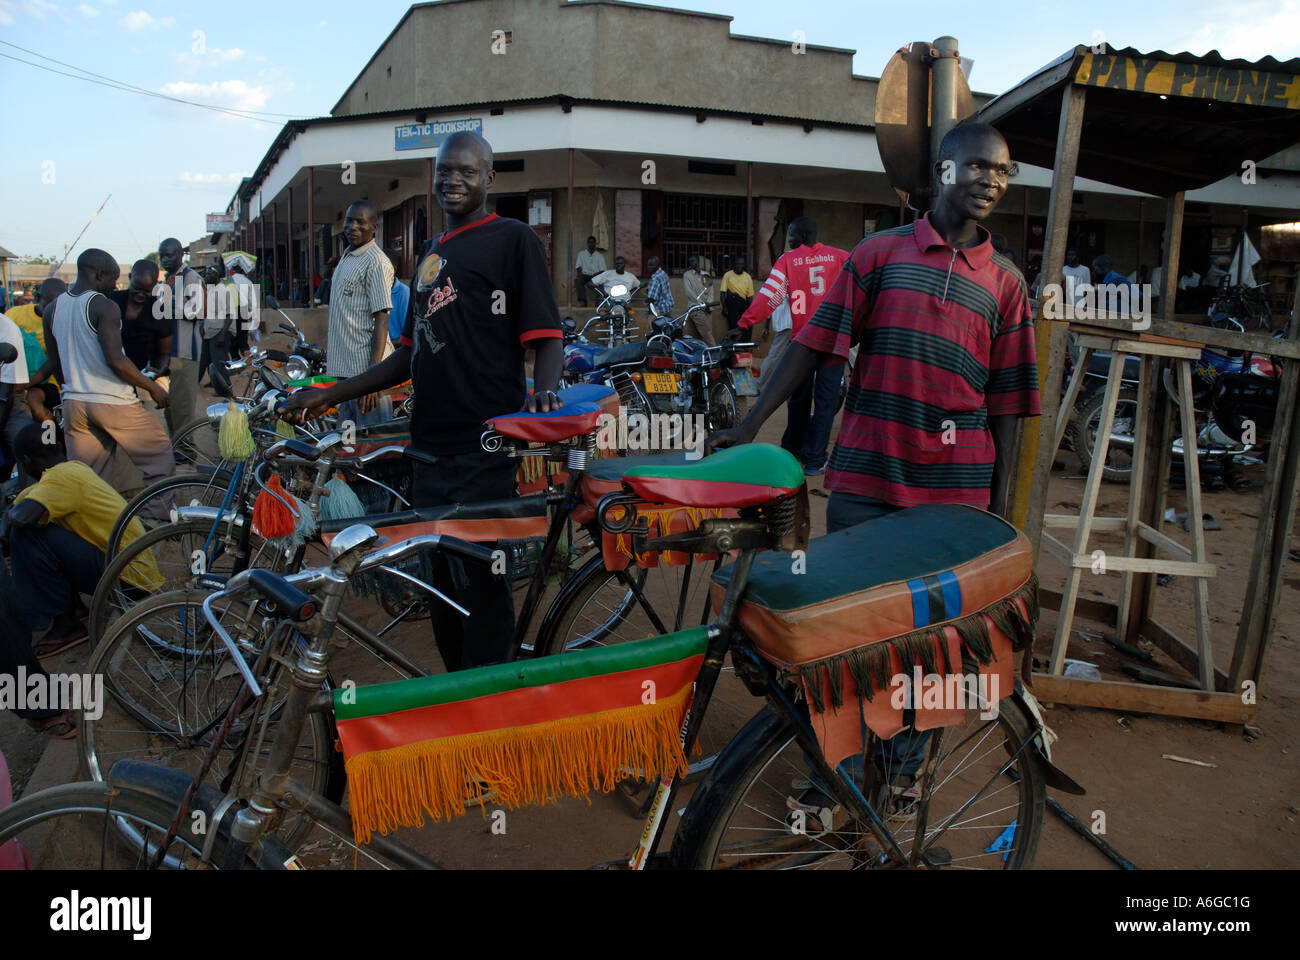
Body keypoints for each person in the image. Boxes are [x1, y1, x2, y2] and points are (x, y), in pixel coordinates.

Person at [709, 122, 1040, 823]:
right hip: (866, 479)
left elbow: (1010, 404)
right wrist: (752, 419)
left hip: (953, 501)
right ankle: (831, 776)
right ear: (944, 170)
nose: (991, 180)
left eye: (1003, 171)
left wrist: (1000, 510)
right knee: (844, 643)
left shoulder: (1007, 284)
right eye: (977, 166)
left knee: (934, 649)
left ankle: (903, 777)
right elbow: (811, 345)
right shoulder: (879, 254)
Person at [282, 131, 564, 672]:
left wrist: (546, 392)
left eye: (466, 171)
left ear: (489, 177)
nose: (452, 180)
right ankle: (454, 690)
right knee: (438, 584)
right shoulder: (433, 251)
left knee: (482, 583)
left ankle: (487, 701)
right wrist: (331, 392)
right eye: (444, 171)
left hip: (485, 444)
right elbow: (406, 357)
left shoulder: (513, 239)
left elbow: (547, 337)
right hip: (429, 446)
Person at [0, 423, 161, 659]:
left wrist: (7, 532)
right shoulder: (71, 470)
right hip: (134, 572)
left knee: (27, 536)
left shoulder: (60, 479)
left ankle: (66, 625)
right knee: (43, 526)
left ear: (25, 461)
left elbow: (19, 517)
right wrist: (7, 522)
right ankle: (73, 608)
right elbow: (14, 509)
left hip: (129, 580)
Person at [32, 249, 175, 507]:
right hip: (112, 401)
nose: (114, 286)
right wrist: (153, 388)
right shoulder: (104, 306)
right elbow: (116, 360)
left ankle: (101, 522)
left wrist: (71, 390)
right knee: (158, 453)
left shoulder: (52, 309)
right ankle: (158, 515)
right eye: (112, 279)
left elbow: (55, 362)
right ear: (99, 275)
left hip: (74, 403)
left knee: (91, 477)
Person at [726, 216, 849, 475]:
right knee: (826, 403)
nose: (789, 240)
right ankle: (815, 460)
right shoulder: (841, 257)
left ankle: (792, 450)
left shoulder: (788, 260)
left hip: (802, 343)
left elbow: (770, 297)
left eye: (791, 235)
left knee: (798, 399)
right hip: (834, 341)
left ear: (802, 236)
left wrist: (744, 323)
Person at [325, 201, 395, 429]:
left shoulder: (376, 262)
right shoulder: (347, 257)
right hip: (346, 375)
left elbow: (382, 320)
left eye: (360, 222)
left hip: (367, 377)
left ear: (374, 227)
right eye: (349, 221)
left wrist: (373, 379)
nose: (352, 227)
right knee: (347, 444)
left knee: (373, 444)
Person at [158, 237, 204, 437]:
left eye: (168, 255)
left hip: (185, 352)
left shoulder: (191, 278)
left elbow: (198, 311)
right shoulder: (168, 279)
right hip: (169, 353)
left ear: (180, 255)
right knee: (171, 407)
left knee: (183, 408)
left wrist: (167, 305)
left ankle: (186, 449)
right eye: (162, 256)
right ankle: (177, 446)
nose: (164, 260)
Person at [681, 255, 715, 345]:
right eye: (691, 261)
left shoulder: (706, 274)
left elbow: (711, 291)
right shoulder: (687, 275)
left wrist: (709, 304)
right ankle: (715, 350)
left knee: (707, 333)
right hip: (695, 308)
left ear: (698, 262)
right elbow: (689, 293)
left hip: (707, 309)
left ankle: (706, 351)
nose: (693, 263)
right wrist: (701, 304)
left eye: (694, 261)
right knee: (707, 334)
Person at [384, 247, 412, 350]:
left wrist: (385, 344)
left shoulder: (404, 293)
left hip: (394, 351)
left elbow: (407, 335)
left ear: (394, 269)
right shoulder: (373, 291)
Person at [718, 256, 754, 331]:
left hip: (743, 303)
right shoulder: (727, 275)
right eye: (738, 264)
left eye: (741, 264)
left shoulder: (747, 277)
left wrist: (751, 310)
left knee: (747, 326)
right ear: (734, 264)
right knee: (734, 326)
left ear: (744, 265)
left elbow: (750, 297)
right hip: (732, 302)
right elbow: (723, 293)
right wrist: (724, 307)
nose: (739, 266)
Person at [574, 235, 606, 307]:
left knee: (602, 281)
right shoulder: (581, 254)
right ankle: (582, 301)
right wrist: (579, 275)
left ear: (595, 244)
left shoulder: (599, 256)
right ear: (587, 243)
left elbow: (602, 270)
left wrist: (595, 275)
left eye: (593, 242)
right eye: (590, 242)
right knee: (578, 280)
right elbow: (578, 267)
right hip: (585, 275)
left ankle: (599, 302)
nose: (591, 244)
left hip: (596, 275)